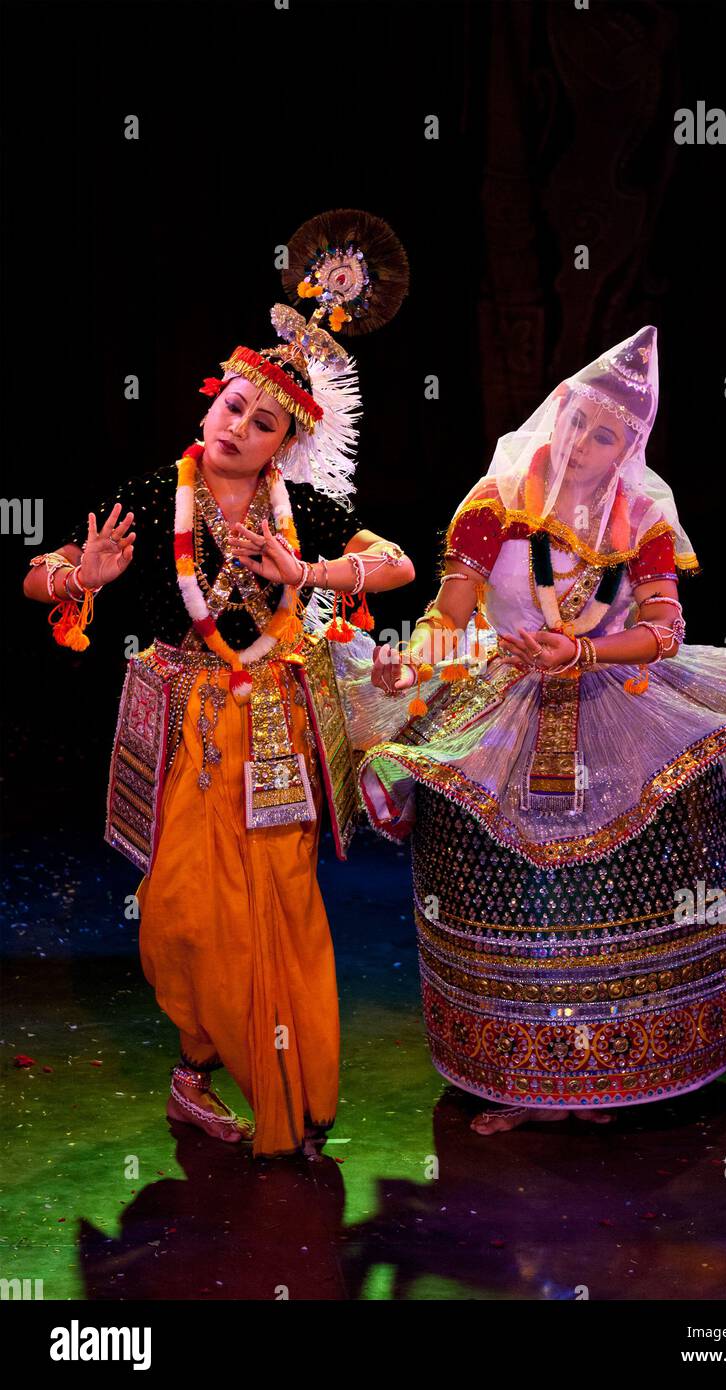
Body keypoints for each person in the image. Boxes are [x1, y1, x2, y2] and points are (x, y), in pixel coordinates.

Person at [351, 325, 726, 1135]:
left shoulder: (640, 515)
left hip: (616, 694)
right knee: (504, 886)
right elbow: (450, 616)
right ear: (556, 413)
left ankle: (610, 1071)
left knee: (615, 882)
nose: (581, 442)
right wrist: (413, 664)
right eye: (575, 421)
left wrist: (582, 650)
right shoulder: (494, 500)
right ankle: (518, 1076)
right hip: (498, 700)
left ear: (626, 447)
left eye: (604, 434)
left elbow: (667, 631)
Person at [23, 212, 414, 1158]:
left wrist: (307, 575)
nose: (239, 425)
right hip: (193, 733)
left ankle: (269, 1097)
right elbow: (38, 574)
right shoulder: (157, 497)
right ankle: (200, 1058)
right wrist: (84, 579)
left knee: (280, 905)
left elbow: (399, 565)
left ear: (284, 443)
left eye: (263, 420)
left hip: (274, 728)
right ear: (209, 405)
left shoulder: (302, 509)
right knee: (181, 918)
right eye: (232, 406)